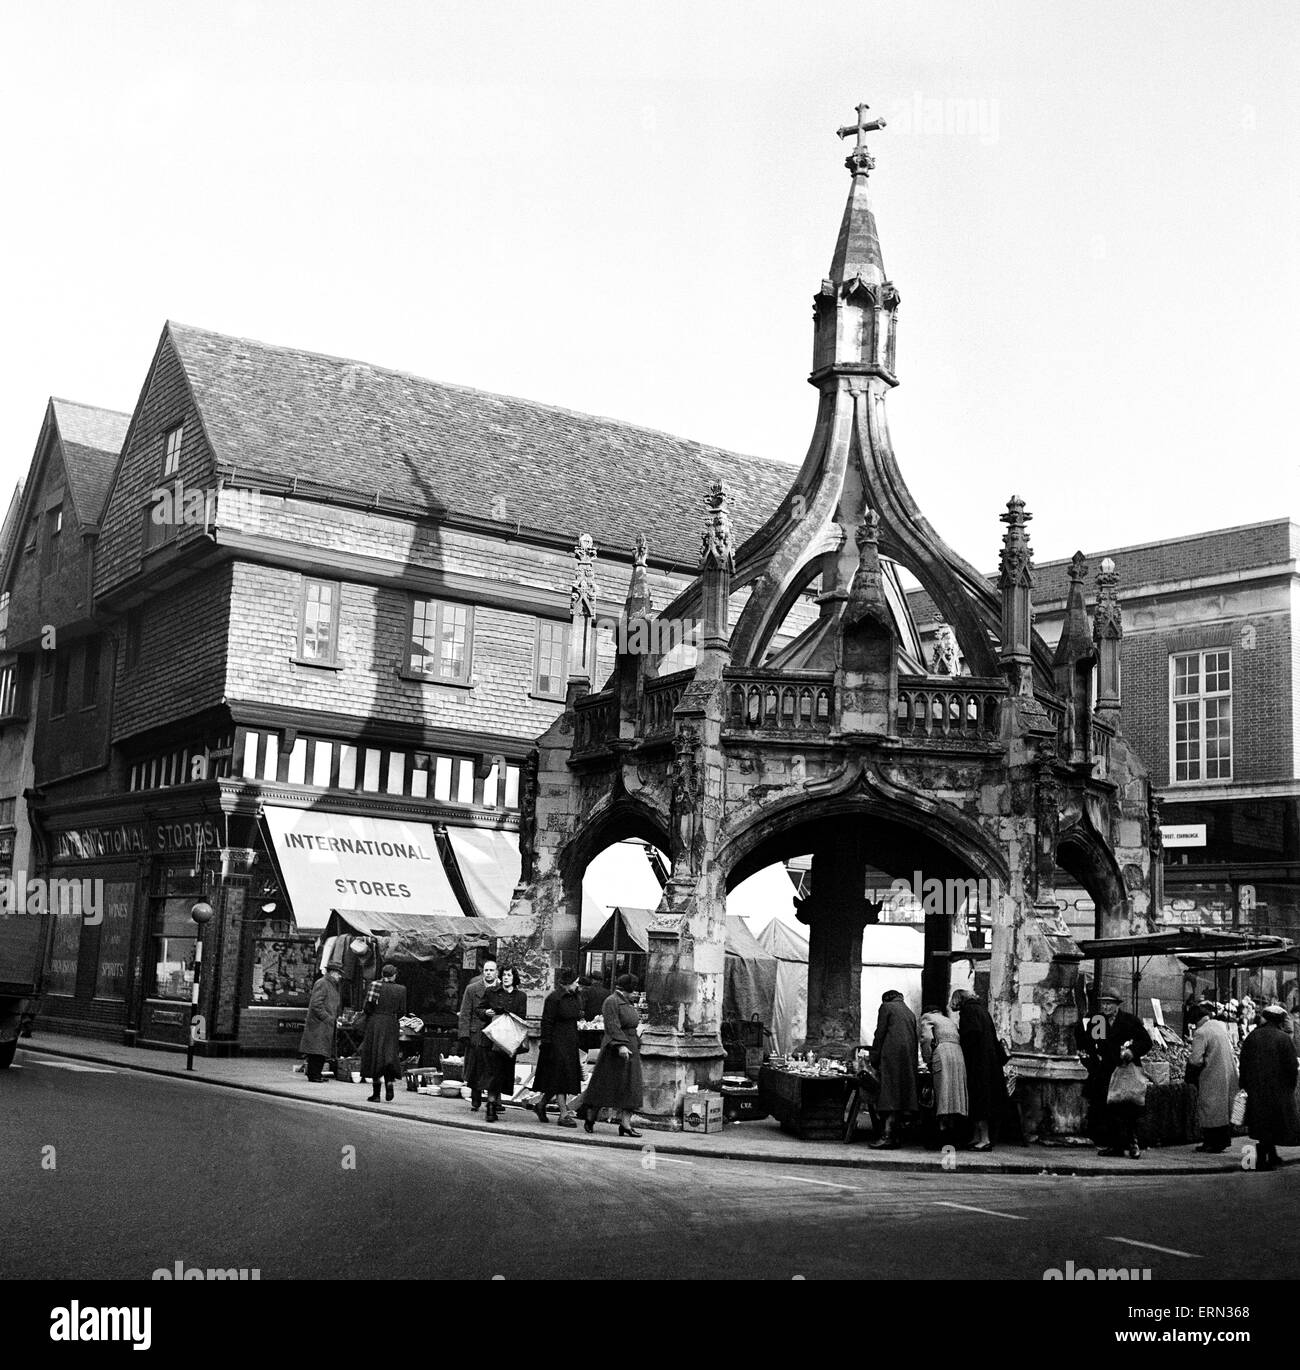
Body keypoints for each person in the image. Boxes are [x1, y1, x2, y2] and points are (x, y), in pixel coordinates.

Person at [1077, 988, 1152, 1159]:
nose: (1105, 1006)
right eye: (1103, 1003)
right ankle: (1115, 1145)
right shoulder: (1098, 1022)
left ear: (1117, 1005)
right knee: (1109, 1109)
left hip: (1126, 1069)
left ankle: (1133, 1144)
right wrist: (1094, 1064)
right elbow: (1091, 1044)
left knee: (1128, 1107)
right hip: (1106, 1071)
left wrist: (1132, 1051)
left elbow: (1146, 1042)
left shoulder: (1129, 1021)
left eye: (1109, 1003)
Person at [1239, 1002, 1300, 1171]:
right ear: (1280, 1021)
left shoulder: (1253, 1036)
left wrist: (1244, 1084)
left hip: (1256, 1089)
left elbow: (1243, 1063)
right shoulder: (1283, 1038)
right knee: (1273, 1123)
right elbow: (1292, 1067)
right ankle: (1263, 1159)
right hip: (1278, 1090)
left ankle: (1270, 1156)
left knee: (1262, 1122)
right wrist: (1290, 1087)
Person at [582, 973, 643, 1137]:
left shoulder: (628, 1003)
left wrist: (636, 1042)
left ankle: (625, 1124)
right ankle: (590, 1117)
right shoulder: (612, 1001)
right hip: (614, 1050)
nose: (635, 993)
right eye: (633, 990)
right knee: (604, 1086)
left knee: (631, 1088)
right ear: (627, 990)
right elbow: (612, 1025)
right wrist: (621, 1045)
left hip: (632, 1048)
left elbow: (632, 1025)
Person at [951, 988, 1007, 1151]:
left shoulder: (968, 1011)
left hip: (978, 1063)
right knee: (980, 1099)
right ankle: (977, 1137)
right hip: (990, 1062)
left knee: (979, 1100)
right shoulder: (982, 1010)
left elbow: (971, 1036)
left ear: (958, 1000)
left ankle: (984, 1139)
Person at [533, 964, 583, 1128]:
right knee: (560, 1078)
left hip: (570, 1042)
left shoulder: (574, 996)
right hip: (556, 1043)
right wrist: (546, 1044)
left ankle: (541, 1104)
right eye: (575, 982)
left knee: (561, 1077)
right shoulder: (554, 998)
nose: (577, 985)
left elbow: (577, 1014)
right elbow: (547, 1022)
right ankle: (563, 1114)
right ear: (567, 983)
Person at [869, 990, 919, 1149]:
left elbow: (880, 1033)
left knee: (888, 1095)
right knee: (899, 1096)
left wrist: (874, 1058)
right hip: (906, 1058)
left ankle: (887, 1135)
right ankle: (895, 1136)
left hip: (891, 1056)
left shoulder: (887, 1007)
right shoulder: (909, 1012)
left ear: (886, 999)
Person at [1186, 1000, 1238, 1153]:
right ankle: (1221, 1142)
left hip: (1211, 1074)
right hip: (1226, 1072)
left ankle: (1211, 1142)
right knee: (1221, 1109)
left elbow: (1196, 1059)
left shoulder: (1201, 1032)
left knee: (1210, 1109)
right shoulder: (1218, 1025)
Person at [481, 964, 528, 1122]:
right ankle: (491, 1105)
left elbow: (522, 1017)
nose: (506, 977)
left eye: (509, 975)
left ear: (514, 977)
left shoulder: (521, 996)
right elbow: (480, 1009)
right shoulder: (491, 992)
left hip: (510, 1040)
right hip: (493, 1038)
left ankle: (495, 1102)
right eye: (504, 975)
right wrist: (485, 1012)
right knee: (493, 1073)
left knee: (503, 1074)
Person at [919, 1002, 968, 1142]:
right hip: (958, 1054)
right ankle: (953, 1130)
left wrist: (927, 1057)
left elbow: (926, 1038)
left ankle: (942, 1130)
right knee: (955, 1090)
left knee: (942, 1090)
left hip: (942, 1053)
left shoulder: (927, 1017)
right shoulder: (948, 1020)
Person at [360, 963, 407, 1103]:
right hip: (391, 1024)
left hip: (375, 1023)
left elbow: (367, 1007)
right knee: (389, 1055)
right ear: (394, 975)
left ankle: (376, 1094)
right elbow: (402, 1011)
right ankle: (390, 1083)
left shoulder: (374, 985)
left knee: (375, 1055)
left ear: (382, 974)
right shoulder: (401, 989)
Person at [457, 957, 499, 1112]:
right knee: (476, 1067)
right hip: (477, 1033)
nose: (488, 973)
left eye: (491, 970)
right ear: (483, 972)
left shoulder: (502, 988)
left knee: (494, 1067)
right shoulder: (472, 989)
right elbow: (465, 1012)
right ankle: (476, 1096)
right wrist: (464, 1034)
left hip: (496, 1033)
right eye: (486, 970)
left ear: (496, 972)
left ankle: (495, 1100)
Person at [299, 962, 343, 1083]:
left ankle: (316, 1074)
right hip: (319, 1023)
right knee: (317, 1051)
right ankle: (314, 1075)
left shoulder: (330, 984)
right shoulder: (323, 983)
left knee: (320, 1051)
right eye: (339, 973)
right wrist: (327, 1018)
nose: (340, 976)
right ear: (332, 972)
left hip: (323, 1023)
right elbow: (316, 1004)